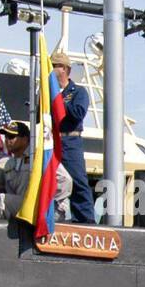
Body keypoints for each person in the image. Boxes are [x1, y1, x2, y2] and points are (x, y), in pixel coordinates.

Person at [0, 121, 72, 222]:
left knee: (2, 200)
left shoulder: (39, 156)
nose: (7, 140)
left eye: (12, 137)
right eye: (6, 137)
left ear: (25, 139)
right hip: (26, 207)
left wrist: (49, 202)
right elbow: (11, 193)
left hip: (49, 210)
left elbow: (66, 180)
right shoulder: (9, 164)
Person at [51, 51, 96, 224]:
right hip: (52, 140)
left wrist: (59, 101)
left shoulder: (78, 92)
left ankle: (85, 220)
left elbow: (78, 113)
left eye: (56, 66)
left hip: (70, 141)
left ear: (65, 69)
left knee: (77, 180)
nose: (53, 70)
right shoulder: (47, 93)